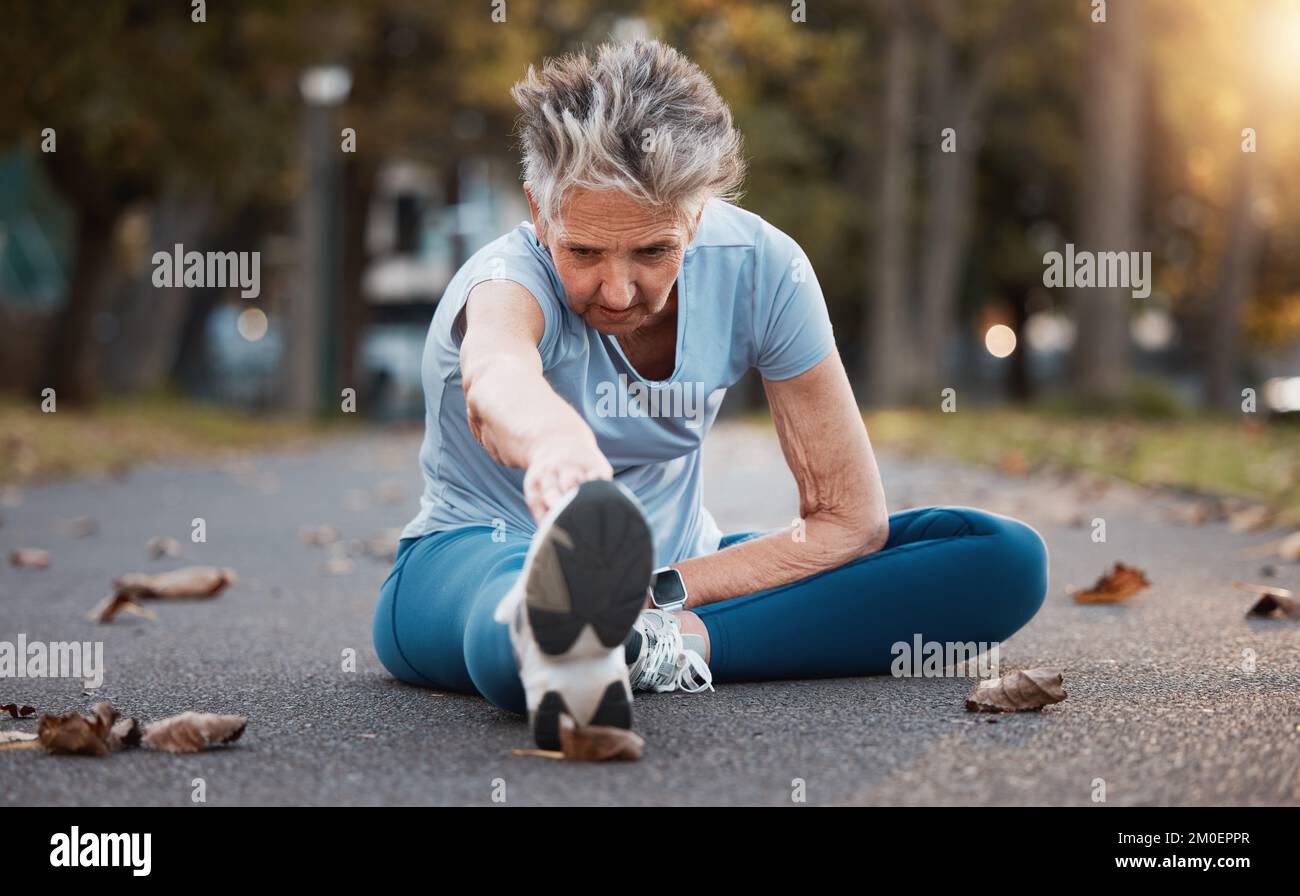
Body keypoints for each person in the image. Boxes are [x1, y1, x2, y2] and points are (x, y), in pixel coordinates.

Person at [372, 39, 1048, 750]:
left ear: (696, 220)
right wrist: (555, 443)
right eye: (584, 253)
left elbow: (849, 520)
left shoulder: (763, 267)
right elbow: (496, 372)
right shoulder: (506, 279)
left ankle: (652, 643)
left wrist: (665, 588)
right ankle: (595, 639)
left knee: (1000, 559)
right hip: (475, 559)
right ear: (541, 218)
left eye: (653, 252)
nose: (618, 290)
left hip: (677, 569)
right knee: (520, 642)